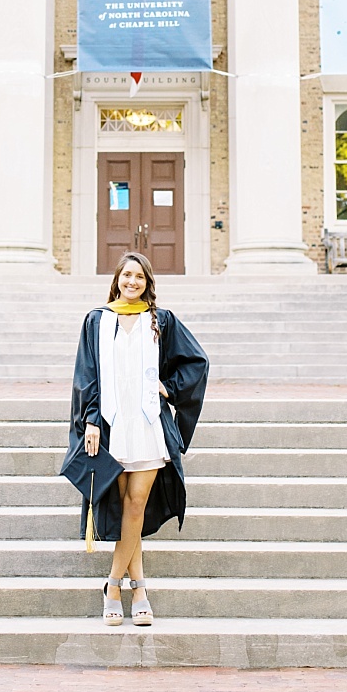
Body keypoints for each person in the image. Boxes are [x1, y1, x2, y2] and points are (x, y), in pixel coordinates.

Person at [66, 250, 208, 626]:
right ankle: (140, 588)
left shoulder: (160, 321)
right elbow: (86, 376)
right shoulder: (98, 321)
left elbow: (196, 363)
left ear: (148, 283)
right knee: (128, 508)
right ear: (117, 279)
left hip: (147, 427)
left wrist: (168, 387)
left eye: (140, 278)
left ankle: (114, 586)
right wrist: (91, 422)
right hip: (113, 427)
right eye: (127, 275)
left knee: (136, 505)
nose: (132, 282)